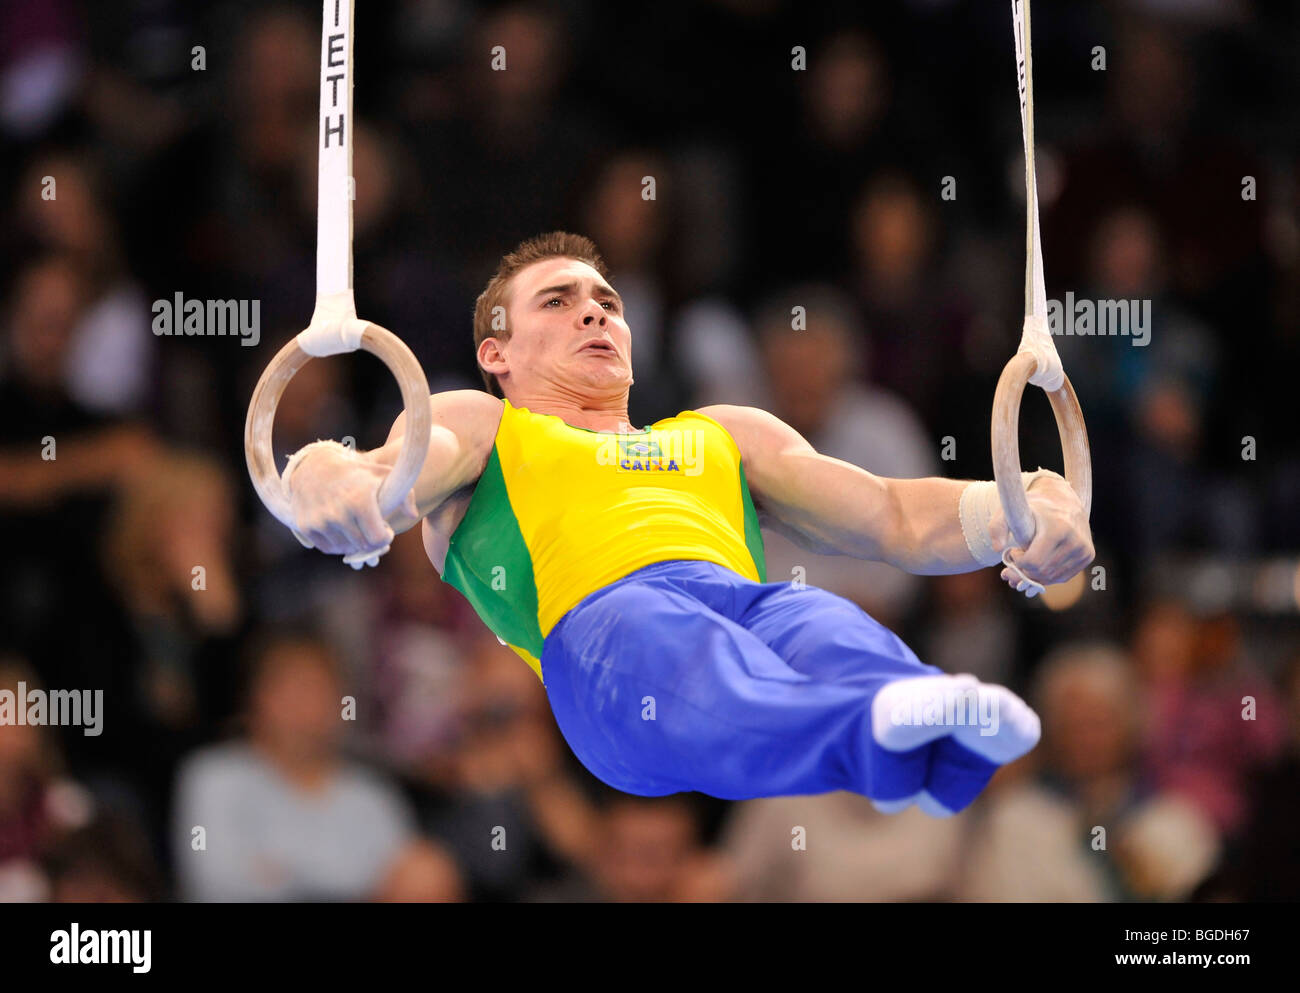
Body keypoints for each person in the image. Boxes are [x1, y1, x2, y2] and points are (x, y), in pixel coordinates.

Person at [281, 232, 1094, 816]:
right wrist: (326, 473)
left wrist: (1021, 505)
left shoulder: (723, 432)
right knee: (661, 625)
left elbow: (890, 513)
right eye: (558, 303)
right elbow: (392, 470)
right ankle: (866, 728)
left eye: (606, 302)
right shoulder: (484, 424)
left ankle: (917, 726)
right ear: (498, 354)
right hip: (604, 655)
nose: (592, 315)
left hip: (736, 610)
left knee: (816, 615)